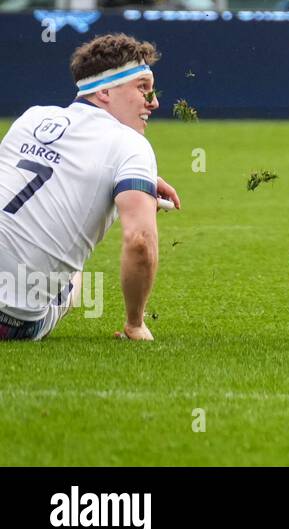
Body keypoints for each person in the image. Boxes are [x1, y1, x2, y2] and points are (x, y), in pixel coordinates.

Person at [0, 34, 179, 342]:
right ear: (105, 91)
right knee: (74, 279)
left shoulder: (32, 118)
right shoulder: (131, 144)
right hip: (10, 321)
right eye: (142, 88)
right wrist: (135, 323)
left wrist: (136, 179)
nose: (154, 102)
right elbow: (139, 241)